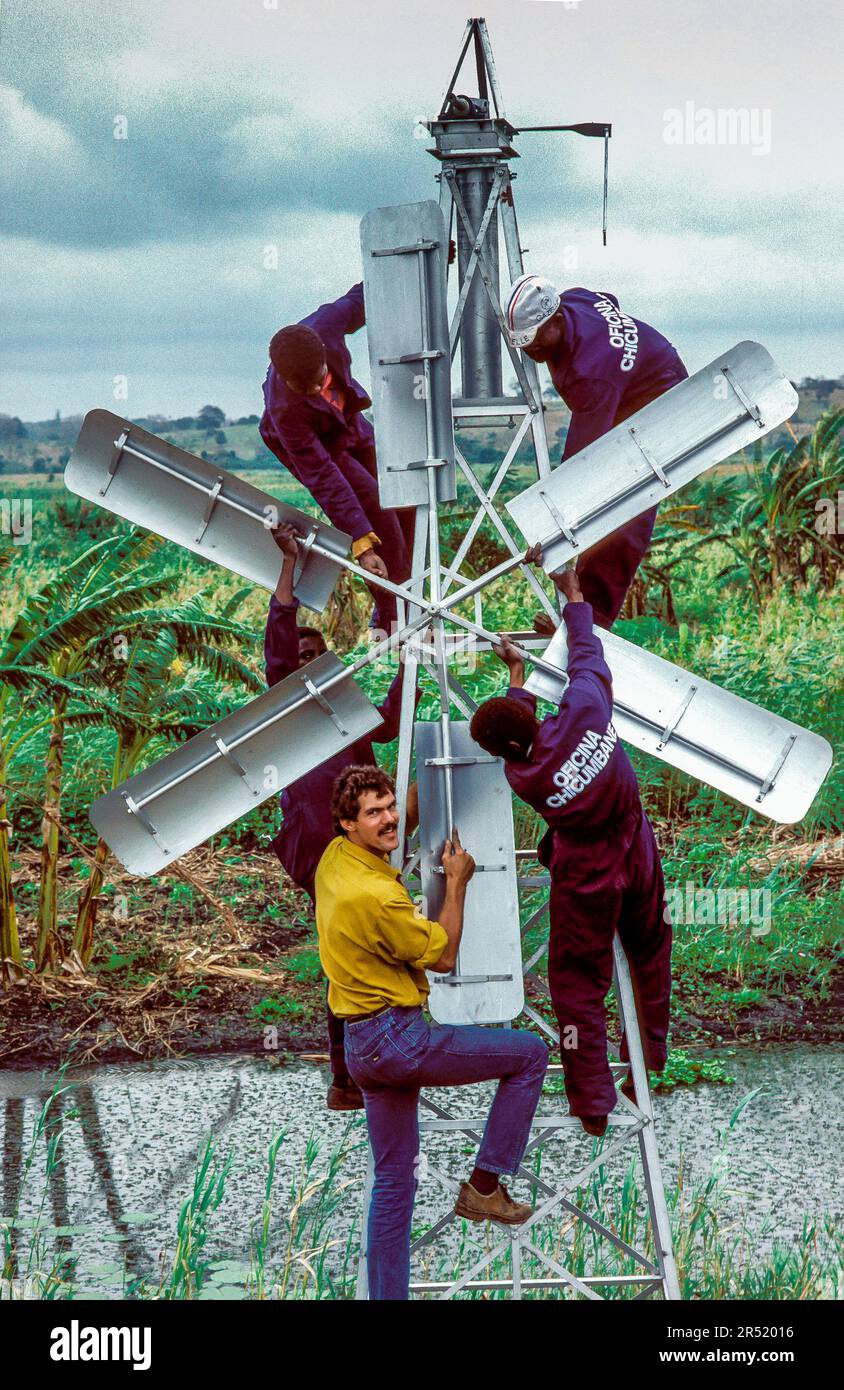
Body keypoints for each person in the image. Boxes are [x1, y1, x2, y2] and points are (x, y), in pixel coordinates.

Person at [316, 764, 549, 1301]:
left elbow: (397, 818)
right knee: (530, 1055)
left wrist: (444, 763)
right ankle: (485, 1187)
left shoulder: (335, 860)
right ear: (349, 824)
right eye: (374, 813)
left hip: (360, 1049)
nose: (390, 819)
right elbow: (443, 954)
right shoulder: (377, 898)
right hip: (398, 1041)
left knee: (395, 1181)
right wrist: (457, 883)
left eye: (391, 806)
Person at [468, 558, 672, 1136]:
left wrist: (513, 677)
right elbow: (585, 654)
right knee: (650, 949)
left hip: (586, 870)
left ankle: (591, 1098)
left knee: (578, 983)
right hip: (634, 842)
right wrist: (573, 594)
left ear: (502, 752)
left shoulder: (524, 778)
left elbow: (520, 741)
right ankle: (646, 1061)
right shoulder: (585, 709)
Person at [264, 522, 418, 1112]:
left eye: (315, 656)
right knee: (349, 955)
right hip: (318, 850)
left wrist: (411, 662)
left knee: (359, 955)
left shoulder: (348, 714)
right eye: (299, 658)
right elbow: (279, 642)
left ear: (329, 665)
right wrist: (288, 567)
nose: (304, 664)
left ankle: (358, 1070)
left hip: (359, 846)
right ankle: (349, 1072)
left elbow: (393, 719)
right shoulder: (286, 711)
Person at [505, 274, 688, 628]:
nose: (531, 352)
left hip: (659, 402)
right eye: (523, 344)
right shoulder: (576, 299)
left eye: (535, 341)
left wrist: (549, 524)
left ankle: (590, 623)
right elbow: (610, 299)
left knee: (625, 514)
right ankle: (579, 611)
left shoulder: (592, 376)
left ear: (556, 320)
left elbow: (581, 466)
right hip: (633, 380)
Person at [259, 281, 414, 635]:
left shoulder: (326, 324)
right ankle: (396, 618)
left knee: (405, 491)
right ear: (285, 379)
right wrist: (361, 544)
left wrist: (426, 259)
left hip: (348, 423)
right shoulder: (284, 410)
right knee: (379, 517)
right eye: (306, 390)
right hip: (322, 451)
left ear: (324, 355)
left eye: (319, 381)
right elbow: (324, 477)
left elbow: (373, 291)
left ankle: (407, 589)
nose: (315, 391)